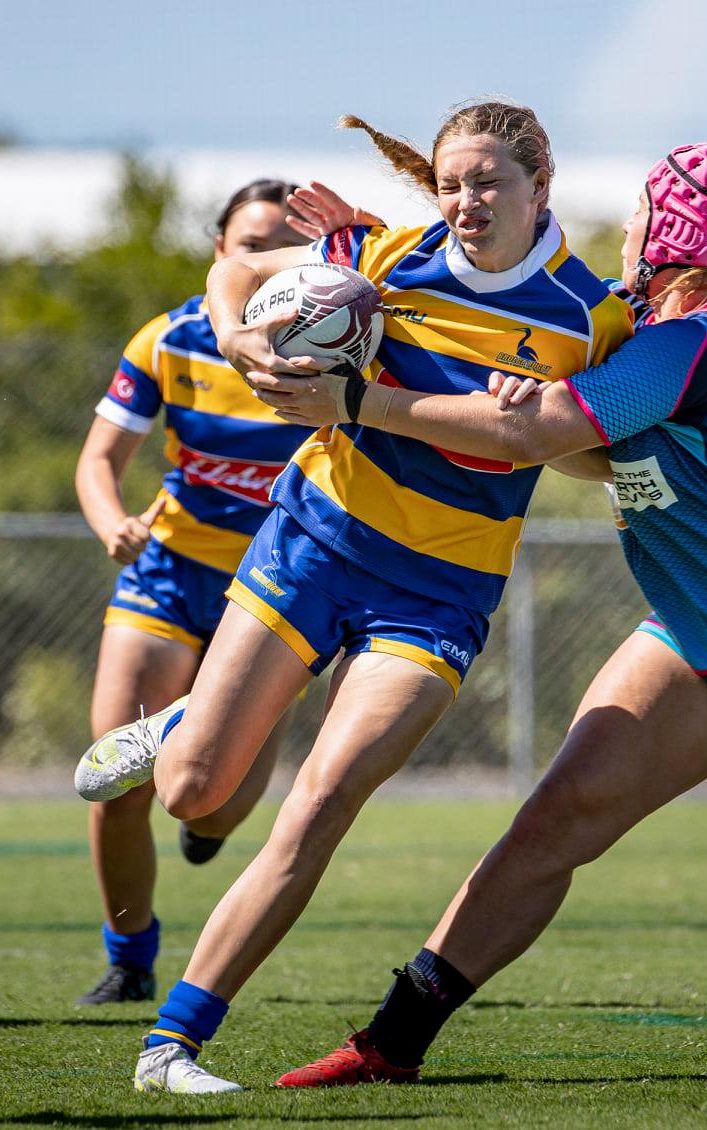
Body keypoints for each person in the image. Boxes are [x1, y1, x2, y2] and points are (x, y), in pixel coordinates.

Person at [74, 100, 632, 1091]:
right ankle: (182, 729)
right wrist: (257, 352)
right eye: (452, 181)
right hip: (314, 543)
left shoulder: (590, 316)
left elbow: (592, 456)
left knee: (321, 801)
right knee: (195, 791)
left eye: (488, 182)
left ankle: (171, 1046)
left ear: (537, 187)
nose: (465, 200)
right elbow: (231, 279)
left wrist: (537, 426)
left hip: (440, 592)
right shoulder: (385, 254)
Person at [247, 141, 707, 1087]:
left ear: (671, 228)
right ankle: (391, 1045)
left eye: (639, 211)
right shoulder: (650, 346)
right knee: (551, 823)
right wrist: (514, 400)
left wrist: (356, 399)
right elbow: (574, 444)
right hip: (688, 633)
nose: (624, 228)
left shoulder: (683, 341)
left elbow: (535, 436)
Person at [73, 178, 352, 1006]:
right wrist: (110, 522)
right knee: (115, 774)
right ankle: (128, 956)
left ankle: (205, 821)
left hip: (274, 588)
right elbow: (97, 462)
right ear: (218, 257)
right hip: (167, 574)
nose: (263, 261)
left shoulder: (339, 340)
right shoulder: (171, 339)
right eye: (248, 245)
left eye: (281, 247)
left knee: (211, 810)